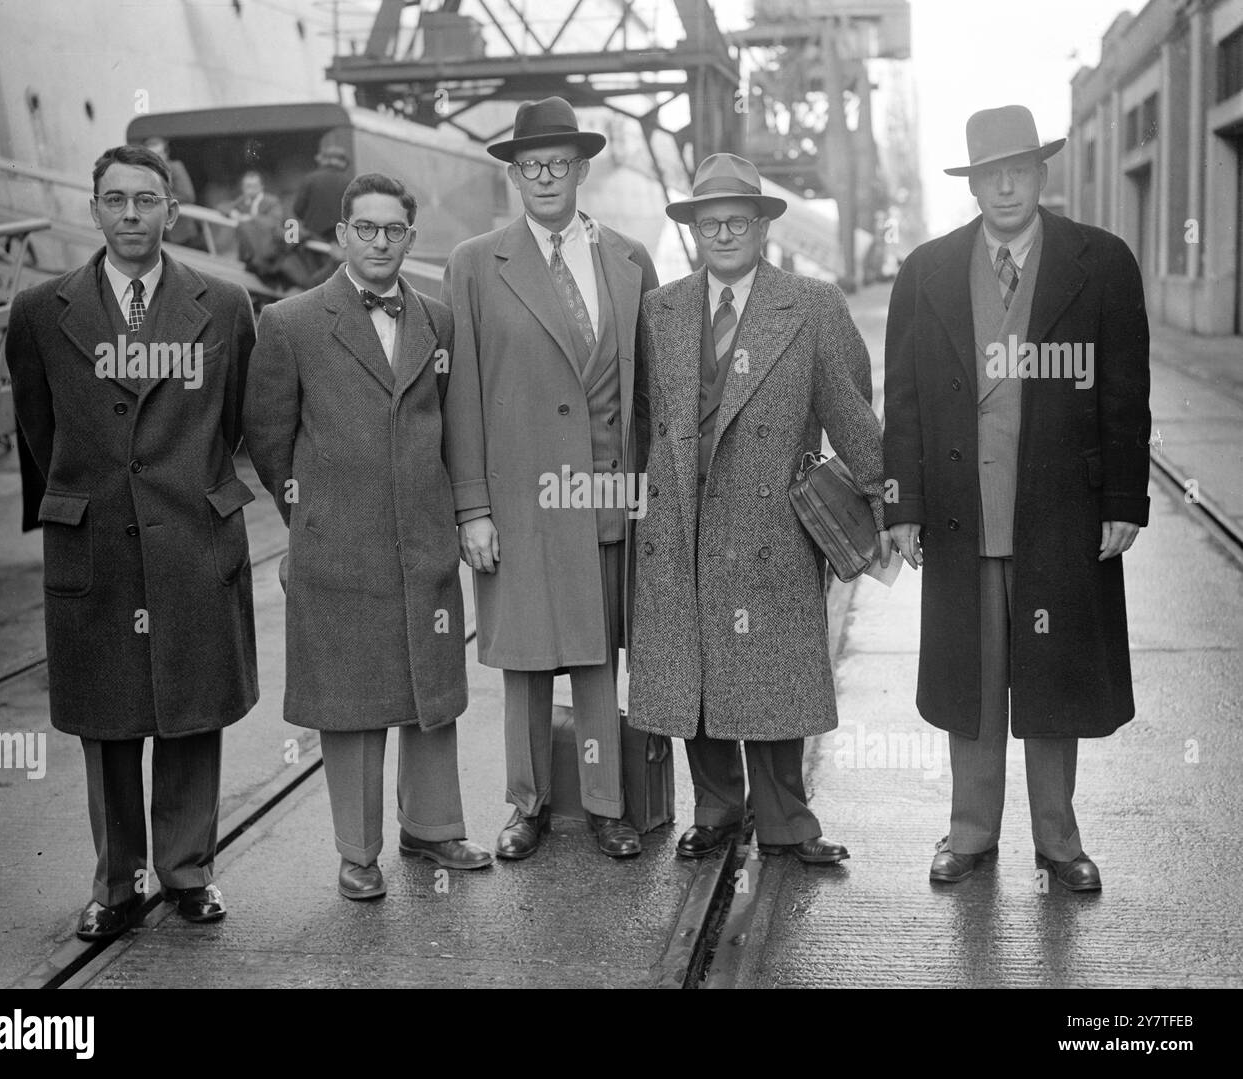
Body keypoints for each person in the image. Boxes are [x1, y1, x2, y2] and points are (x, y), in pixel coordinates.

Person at [883, 105, 1151, 892]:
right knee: (973, 681)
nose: (1004, 185)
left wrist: (1125, 499)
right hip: (965, 515)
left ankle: (1059, 841)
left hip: (1062, 511)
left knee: (1054, 679)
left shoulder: (1100, 262)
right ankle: (970, 833)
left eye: (1019, 170)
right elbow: (903, 401)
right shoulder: (926, 270)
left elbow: (1126, 391)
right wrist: (901, 504)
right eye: (989, 174)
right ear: (972, 185)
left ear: (1042, 174)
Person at [5, 144, 258, 940]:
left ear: (171, 211)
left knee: (192, 708)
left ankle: (189, 873)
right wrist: (94, 495)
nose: (130, 215)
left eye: (146, 200)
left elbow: (236, 418)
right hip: (98, 542)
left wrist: (179, 486)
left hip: (191, 532)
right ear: (94, 209)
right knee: (109, 718)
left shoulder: (223, 305)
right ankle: (117, 882)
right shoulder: (42, 311)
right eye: (114, 200)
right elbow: (37, 432)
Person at [628, 153, 889, 863]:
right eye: (708, 222)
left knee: (776, 679)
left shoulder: (811, 306)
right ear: (693, 231)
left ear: (762, 228)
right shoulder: (662, 310)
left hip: (771, 525)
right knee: (699, 675)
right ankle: (715, 810)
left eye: (736, 221)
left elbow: (852, 414)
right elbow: (643, 420)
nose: (722, 234)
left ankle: (787, 823)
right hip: (681, 522)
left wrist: (889, 502)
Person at [243, 172, 492, 901]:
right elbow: (268, 436)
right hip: (336, 545)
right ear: (341, 235)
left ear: (410, 238)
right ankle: (358, 851)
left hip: (422, 543)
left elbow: (451, 427)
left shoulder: (439, 322)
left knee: (431, 691)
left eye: (393, 230)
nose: (380, 241)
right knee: (348, 704)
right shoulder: (289, 323)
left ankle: (435, 826)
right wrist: (312, 512)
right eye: (366, 228)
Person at [442, 96, 659, 860]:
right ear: (513, 174)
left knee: (601, 657)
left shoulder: (629, 258)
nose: (543, 176)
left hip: (604, 494)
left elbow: (651, 395)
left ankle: (605, 803)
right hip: (519, 499)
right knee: (527, 662)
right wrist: (472, 508)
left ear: (581, 169)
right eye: (529, 165)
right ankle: (525, 805)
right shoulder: (475, 263)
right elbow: (461, 391)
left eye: (557, 164)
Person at [282, 144, 353, 290]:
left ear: (324, 160)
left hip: (313, 241)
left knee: (313, 281)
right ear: (342, 162)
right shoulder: (350, 183)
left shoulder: (310, 179)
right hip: (339, 243)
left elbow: (297, 209)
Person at [222, 170, 286, 278]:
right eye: (248, 186)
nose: (251, 189)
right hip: (247, 254)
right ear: (243, 188)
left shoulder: (272, 201)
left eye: (254, 186)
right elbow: (223, 206)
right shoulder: (243, 200)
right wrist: (232, 212)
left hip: (267, 254)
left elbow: (274, 222)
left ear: (261, 187)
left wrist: (252, 218)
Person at [142, 136, 200, 248]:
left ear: (166, 153)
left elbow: (188, 195)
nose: (158, 158)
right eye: (153, 155)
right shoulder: (144, 173)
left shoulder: (175, 167)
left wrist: (158, 198)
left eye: (160, 153)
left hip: (180, 233)